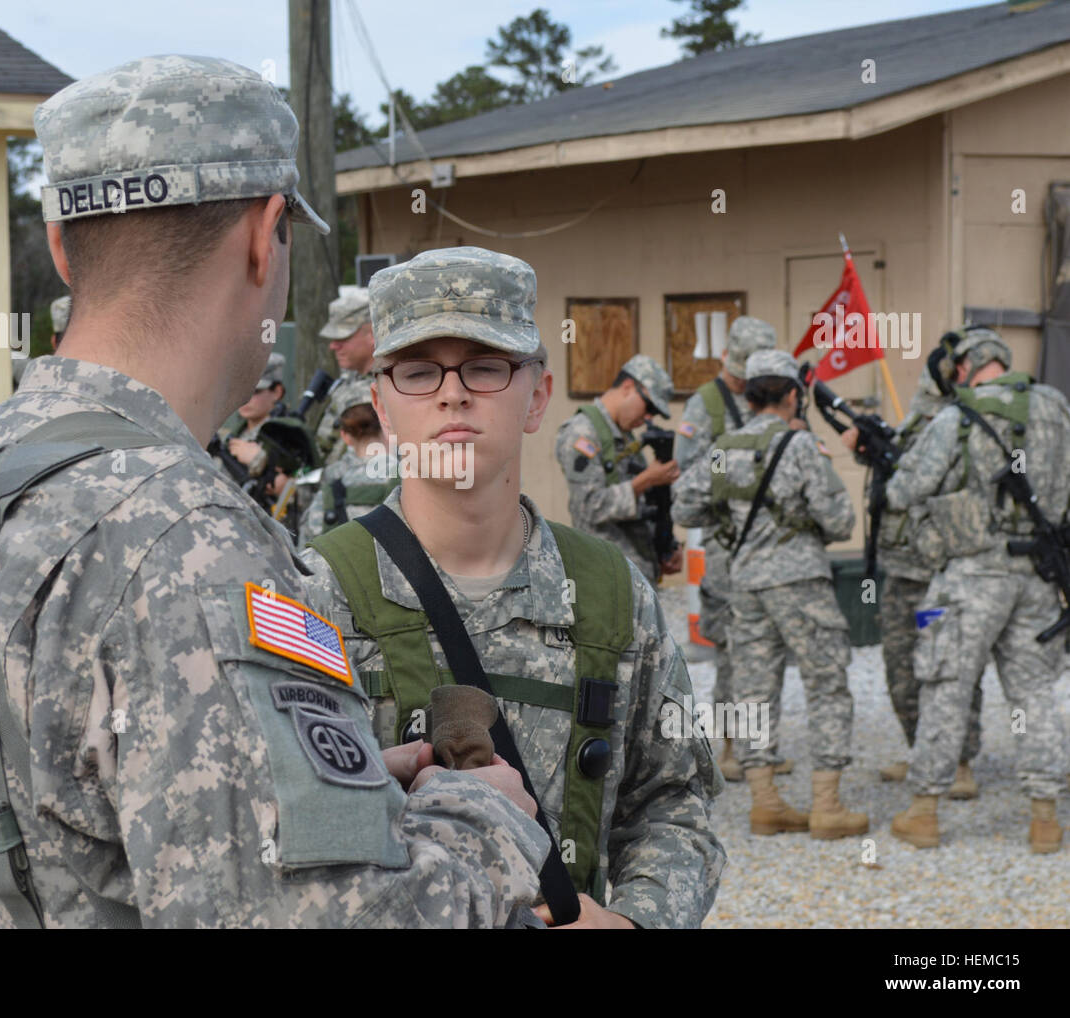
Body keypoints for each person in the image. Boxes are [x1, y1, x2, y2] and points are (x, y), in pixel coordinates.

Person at [0, 55, 549, 929]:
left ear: (66, 248)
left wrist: (337, 790)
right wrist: (481, 823)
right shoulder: (187, 537)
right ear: (268, 235)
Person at [301, 246, 725, 929]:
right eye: (417, 371)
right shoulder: (314, 595)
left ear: (538, 398)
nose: (452, 392)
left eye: (486, 365)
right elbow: (279, 835)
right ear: (381, 407)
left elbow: (674, 803)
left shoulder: (613, 595)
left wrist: (633, 921)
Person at [885, 329, 1070, 853]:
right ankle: (1044, 820)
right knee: (1034, 693)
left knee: (947, 687)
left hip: (970, 578)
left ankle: (925, 813)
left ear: (967, 365)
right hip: (1038, 574)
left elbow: (903, 490)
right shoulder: (1055, 406)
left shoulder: (954, 418)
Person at [673, 350, 866, 839]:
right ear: (791, 394)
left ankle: (766, 804)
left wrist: (731, 521)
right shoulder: (799, 446)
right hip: (800, 582)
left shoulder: (724, 446)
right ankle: (827, 806)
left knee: (754, 693)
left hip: (745, 584)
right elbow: (840, 521)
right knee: (827, 684)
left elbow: (685, 506)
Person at [847, 362, 983, 797]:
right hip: (901, 571)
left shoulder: (966, 433)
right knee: (901, 667)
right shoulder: (912, 429)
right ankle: (922, 754)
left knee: (950, 669)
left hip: (942, 573)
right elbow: (893, 479)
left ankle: (959, 763)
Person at [673, 315, 781, 781]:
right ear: (725, 361)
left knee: (767, 648)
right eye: (740, 372)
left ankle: (763, 746)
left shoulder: (775, 396)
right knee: (734, 651)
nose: (744, 382)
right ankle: (734, 747)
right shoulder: (706, 404)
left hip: (769, 544)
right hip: (726, 546)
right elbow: (688, 469)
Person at [554, 355, 684, 587]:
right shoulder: (582, 433)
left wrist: (667, 546)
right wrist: (645, 481)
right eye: (649, 407)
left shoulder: (623, 436)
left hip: (636, 574)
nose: (648, 418)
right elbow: (588, 508)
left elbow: (643, 505)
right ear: (628, 387)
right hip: (605, 578)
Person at [296, 375, 390, 550]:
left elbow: (305, 556)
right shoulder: (417, 476)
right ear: (387, 424)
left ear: (345, 436)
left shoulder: (326, 485)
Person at [315, 287, 373, 465]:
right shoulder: (349, 381)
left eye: (342, 337)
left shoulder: (393, 386)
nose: (333, 346)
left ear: (372, 333)